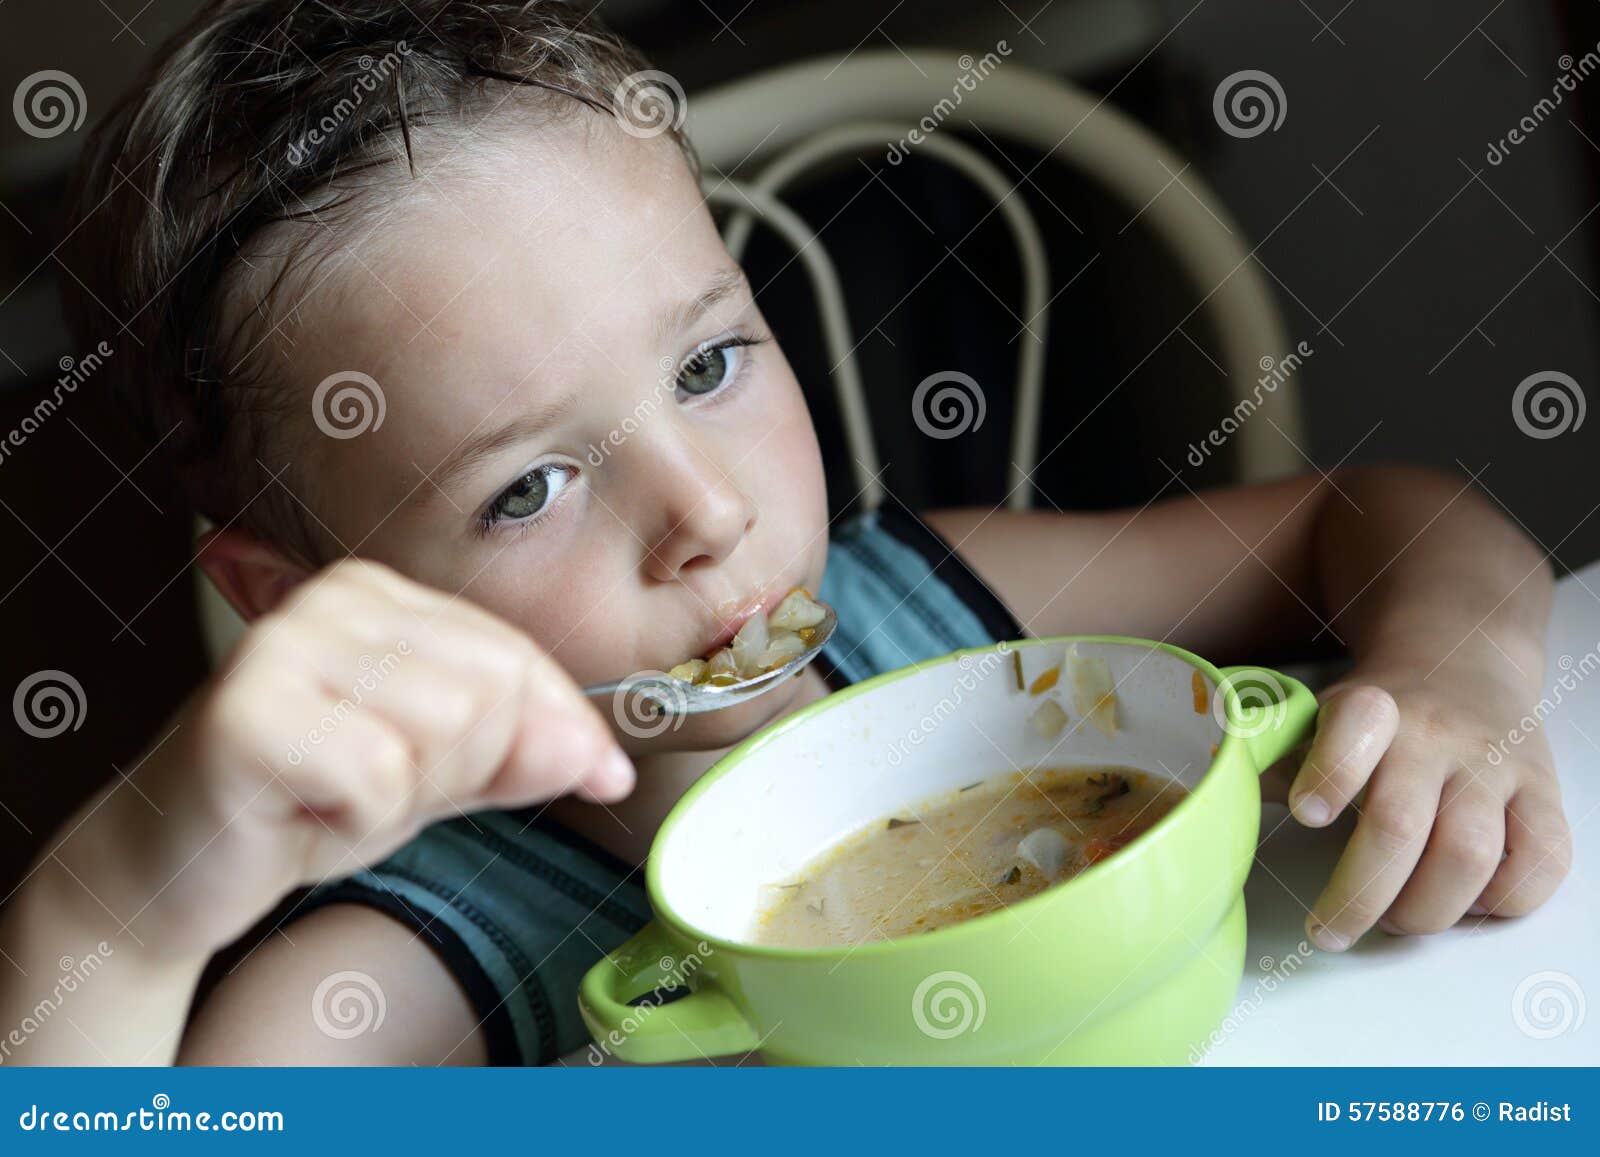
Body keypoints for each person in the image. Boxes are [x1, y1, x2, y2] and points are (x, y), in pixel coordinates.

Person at [0, 0, 1568, 1065]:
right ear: (300, 600)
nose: (709, 512)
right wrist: (110, 900)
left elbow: (1380, 518)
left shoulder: (934, 613)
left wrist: (1459, 672)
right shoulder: (422, 953)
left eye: (708, 363)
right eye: (528, 487)